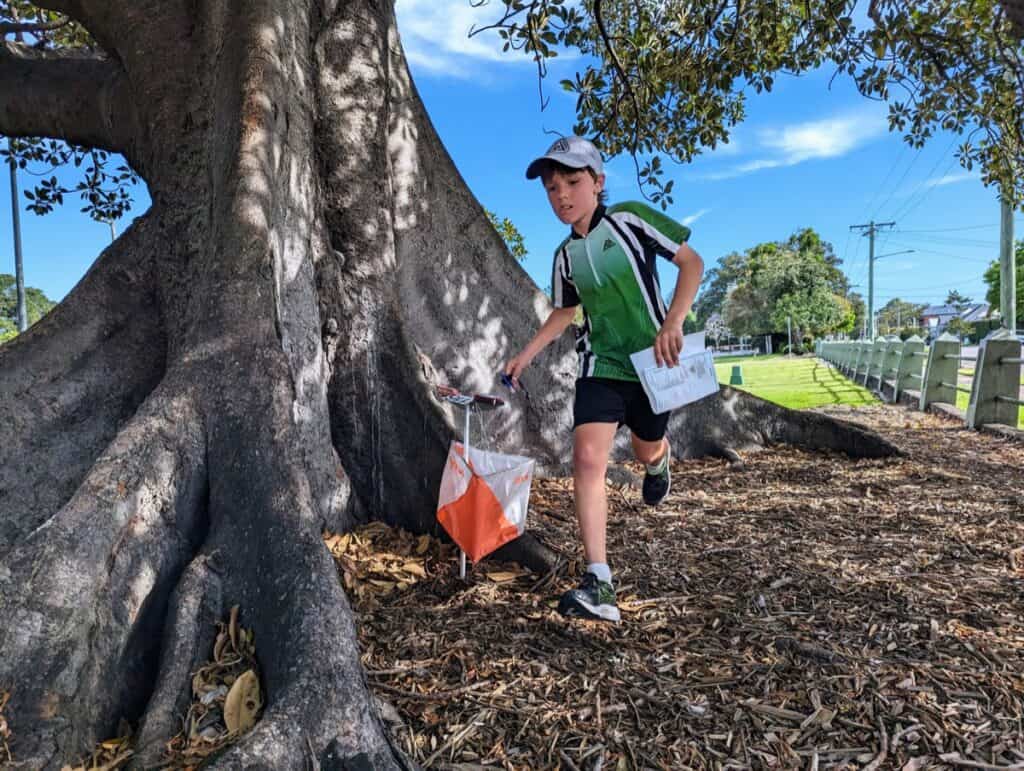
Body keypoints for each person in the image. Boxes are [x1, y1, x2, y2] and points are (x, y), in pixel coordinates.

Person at [505, 136, 704, 623]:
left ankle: (660, 463)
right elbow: (566, 311)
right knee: (588, 458)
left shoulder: (630, 219)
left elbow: (691, 263)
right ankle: (600, 580)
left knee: (644, 449)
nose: (562, 196)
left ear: (598, 182)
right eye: (552, 189)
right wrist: (525, 354)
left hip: (654, 365)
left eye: (572, 182)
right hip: (601, 365)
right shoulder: (564, 257)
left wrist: (673, 323)